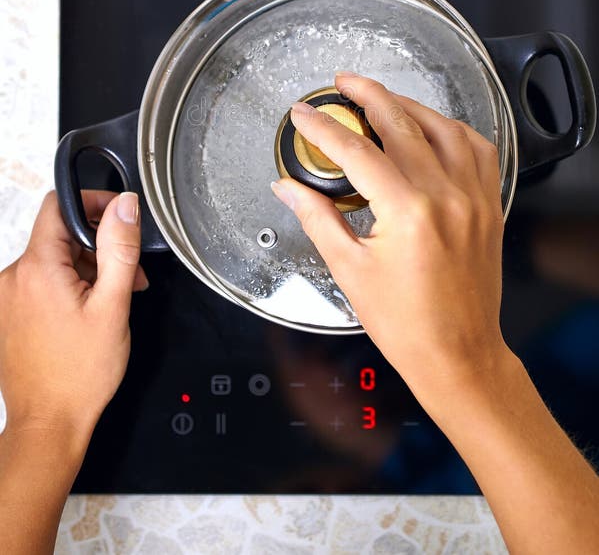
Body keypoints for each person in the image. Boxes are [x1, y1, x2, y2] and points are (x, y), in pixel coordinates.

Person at [0, 73, 598, 555]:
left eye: (305, 487)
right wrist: (468, 352)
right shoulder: (435, 465)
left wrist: (43, 424)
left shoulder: (409, 463)